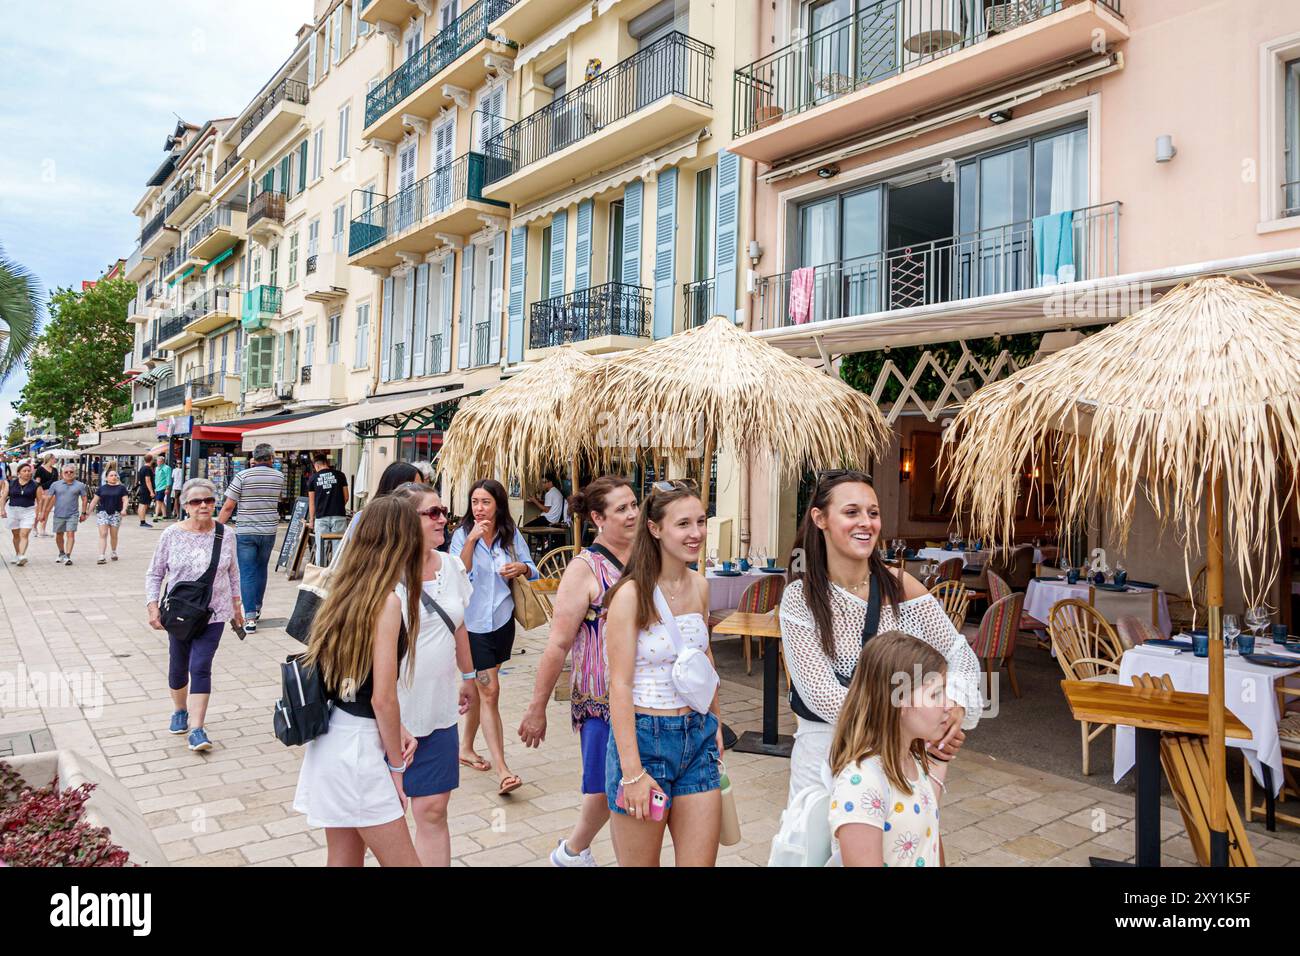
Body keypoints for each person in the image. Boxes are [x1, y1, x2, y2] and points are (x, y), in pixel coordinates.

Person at [779, 470, 983, 804]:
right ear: (820, 518)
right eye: (851, 512)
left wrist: (954, 706)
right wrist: (920, 720)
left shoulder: (901, 586)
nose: (866, 522)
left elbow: (958, 653)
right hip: (827, 759)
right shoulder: (802, 598)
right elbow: (824, 698)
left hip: (899, 763)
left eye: (872, 513)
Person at [292, 497, 424, 867]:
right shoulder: (387, 602)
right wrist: (397, 771)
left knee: (344, 858)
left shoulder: (342, 592)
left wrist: (398, 729)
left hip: (332, 740)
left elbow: (352, 682)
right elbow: (382, 698)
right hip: (359, 753)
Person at [518, 476, 639, 867]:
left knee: (635, 789)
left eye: (634, 504)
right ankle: (572, 851)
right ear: (597, 518)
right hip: (600, 698)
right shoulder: (584, 568)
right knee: (606, 789)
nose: (633, 513)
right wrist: (536, 708)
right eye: (621, 509)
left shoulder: (646, 559)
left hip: (647, 697)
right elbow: (557, 644)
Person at [604, 479, 723, 867]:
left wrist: (716, 725)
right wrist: (632, 773)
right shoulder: (629, 594)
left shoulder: (701, 587)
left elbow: (704, 662)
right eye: (683, 524)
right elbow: (618, 685)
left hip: (698, 738)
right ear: (655, 529)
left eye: (701, 522)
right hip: (645, 739)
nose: (696, 533)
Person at [390, 482, 477, 866]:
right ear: (407, 521)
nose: (444, 520)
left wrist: (470, 676)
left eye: (445, 512)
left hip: (439, 710)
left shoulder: (453, 566)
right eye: (434, 513)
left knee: (433, 810)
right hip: (388, 712)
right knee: (387, 816)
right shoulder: (384, 574)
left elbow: (458, 624)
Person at [828, 632, 951, 867]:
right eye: (936, 693)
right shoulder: (862, 783)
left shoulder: (914, 763)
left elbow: (929, 840)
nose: (948, 705)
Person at [448, 478, 538, 796]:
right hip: (472, 626)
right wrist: (472, 539)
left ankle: (466, 748)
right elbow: (458, 573)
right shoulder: (461, 535)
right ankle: (503, 770)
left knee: (479, 689)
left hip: (501, 621)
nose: (479, 508)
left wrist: (521, 569)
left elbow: (533, 568)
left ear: (497, 504)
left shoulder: (510, 535)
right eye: (475, 502)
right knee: (491, 692)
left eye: (485, 502)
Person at [145, 478, 243, 753]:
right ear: (185, 505)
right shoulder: (172, 535)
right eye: (196, 501)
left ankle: (198, 729)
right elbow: (155, 573)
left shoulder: (227, 535)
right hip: (179, 614)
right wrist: (152, 606)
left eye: (209, 501)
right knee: (178, 666)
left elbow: (233, 573)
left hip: (214, 612)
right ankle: (179, 710)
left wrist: (237, 606)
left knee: (200, 666)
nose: (204, 506)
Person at [217, 444, 286, 634]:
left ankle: (249, 618)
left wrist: (216, 529)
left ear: (254, 459)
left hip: (246, 531)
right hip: (269, 531)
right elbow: (277, 499)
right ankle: (256, 608)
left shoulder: (242, 476)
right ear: (271, 458)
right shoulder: (279, 477)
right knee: (261, 568)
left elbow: (229, 506)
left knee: (247, 572)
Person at [306, 453, 350, 567]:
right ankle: (336, 574)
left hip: (321, 517)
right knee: (338, 547)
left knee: (321, 547)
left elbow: (311, 502)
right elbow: (346, 497)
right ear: (326, 463)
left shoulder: (313, 479)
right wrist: (337, 505)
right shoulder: (340, 475)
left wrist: (311, 520)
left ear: (316, 465)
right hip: (338, 515)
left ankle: (321, 573)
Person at [47, 464, 89, 566]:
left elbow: (84, 499)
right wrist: (44, 512)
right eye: (66, 472)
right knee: (59, 535)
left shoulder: (80, 485)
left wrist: (83, 513)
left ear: (75, 473)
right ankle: (61, 552)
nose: (69, 473)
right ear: (62, 474)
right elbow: (49, 499)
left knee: (71, 533)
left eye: (71, 472)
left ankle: (68, 555)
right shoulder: (55, 485)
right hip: (58, 514)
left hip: (73, 514)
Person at [0, 460, 40, 565]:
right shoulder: (10, 483)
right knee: (16, 535)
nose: (27, 473)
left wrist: (40, 513)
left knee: (24, 534)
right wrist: (2, 509)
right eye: (24, 471)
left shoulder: (36, 485)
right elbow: (3, 497)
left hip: (28, 511)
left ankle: (22, 555)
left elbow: (40, 501)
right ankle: (17, 554)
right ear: (19, 473)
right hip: (13, 511)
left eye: (29, 471)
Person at [89, 468, 129, 564]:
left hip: (116, 513)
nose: (114, 477)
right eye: (111, 475)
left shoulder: (121, 488)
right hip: (103, 512)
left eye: (115, 475)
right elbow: (94, 501)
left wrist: (124, 509)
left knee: (113, 535)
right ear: (106, 478)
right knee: (103, 534)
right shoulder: (102, 488)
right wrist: (87, 512)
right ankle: (101, 555)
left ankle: (113, 551)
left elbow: (125, 500)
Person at [135, 454, 156, 528]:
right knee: (144, 506)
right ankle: (143, 522)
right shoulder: (147, 468)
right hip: (146, 490)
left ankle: (142, 521)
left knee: (141, 505)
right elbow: (148, 481)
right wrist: (151, 491)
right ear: (152, 460)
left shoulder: (142, 468)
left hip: (142, 488)